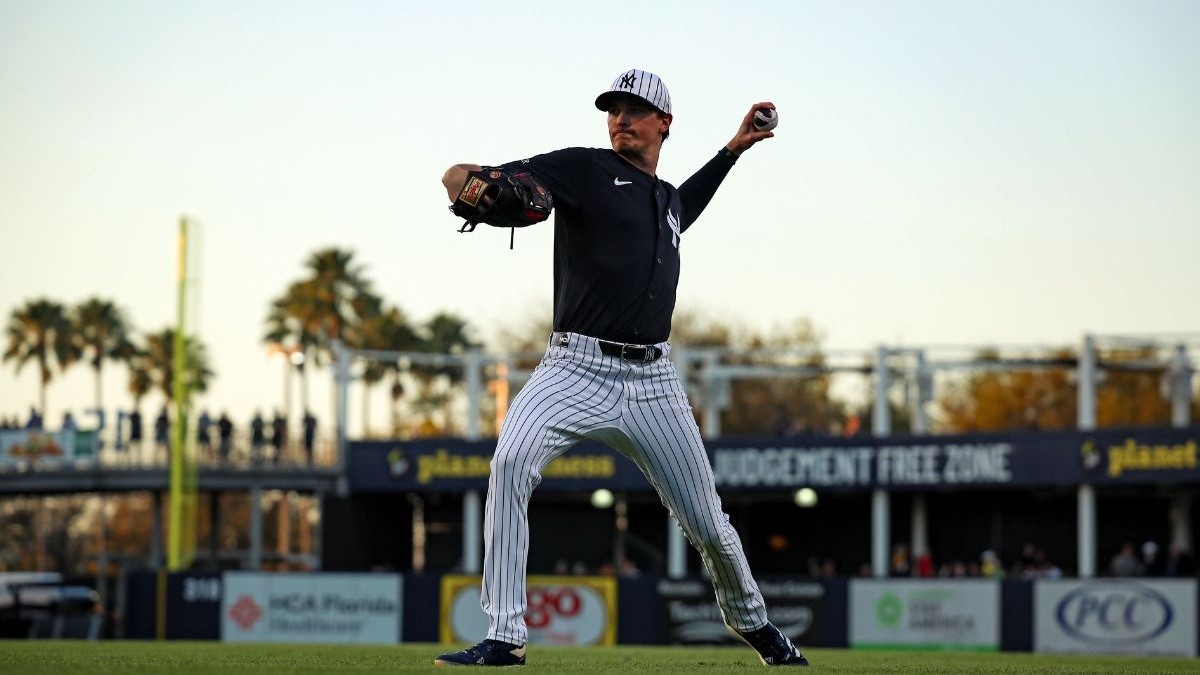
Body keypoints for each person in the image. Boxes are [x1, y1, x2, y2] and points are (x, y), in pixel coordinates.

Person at [435, 69, 803, 668]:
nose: (620, 119)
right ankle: (506, 635)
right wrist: (468, 185)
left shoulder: (665, 201)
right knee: (509, 464)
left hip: (655, 383)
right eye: (613, 109)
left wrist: (735, 147)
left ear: (664, 124)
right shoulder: (585, 169)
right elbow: (479, 179)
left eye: (635, 109)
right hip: (573, 369)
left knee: (709, 523)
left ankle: (758, 627)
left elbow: (688, 202)